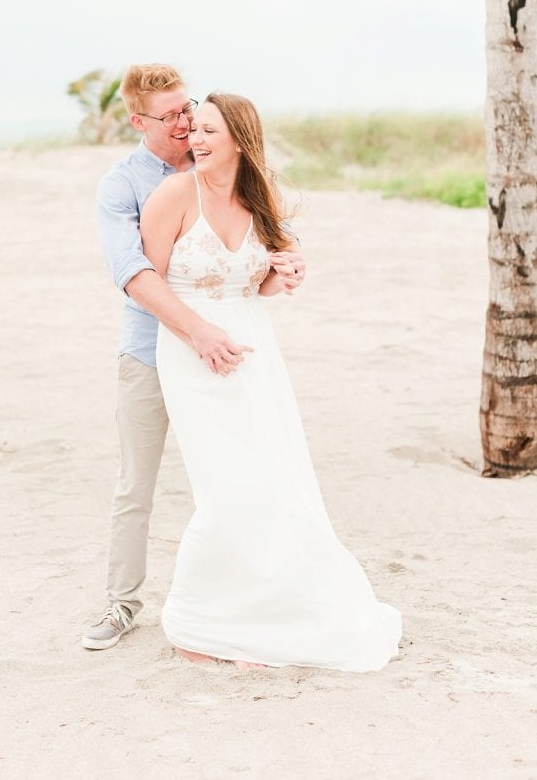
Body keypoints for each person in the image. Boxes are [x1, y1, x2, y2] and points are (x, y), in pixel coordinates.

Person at [139, 92, 402, 670]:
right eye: (194, 129)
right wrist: (200, 333)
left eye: (209, 130)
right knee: (226, 486)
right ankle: (195, 624)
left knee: (275, 481)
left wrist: (287, 275)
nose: (197, 139)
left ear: (239, 137)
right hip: (191, 352)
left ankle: (262, 615)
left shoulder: (261, 200)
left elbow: (261, 284)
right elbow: (142, 282)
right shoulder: (175, 194)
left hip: (255, 351)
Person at [82, 65, 306, 652]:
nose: (187, 124)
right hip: (152, 351)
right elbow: (132, 273)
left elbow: (268, 246)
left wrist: (286, 268)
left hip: (229, 349)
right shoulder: (124, 185)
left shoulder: (225, 164)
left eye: (191, 111)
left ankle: (253, 596)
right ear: (139, 122)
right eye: (173, 116)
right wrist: (197, 332)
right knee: (137, 485)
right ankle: (122, 602)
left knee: (246, 474)